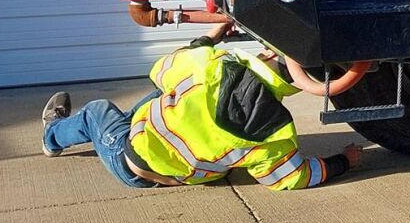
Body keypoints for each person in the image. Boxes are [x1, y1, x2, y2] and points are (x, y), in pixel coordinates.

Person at [40, 19, 360, 190]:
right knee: (159, 102)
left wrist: (211, 38)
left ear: (265, 55)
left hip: (130, 162)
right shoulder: (276, 132)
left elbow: (163, 69)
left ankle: (52, 136)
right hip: (189, 173)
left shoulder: (212, 67)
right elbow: (294, 178)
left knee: (98, 110)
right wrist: (344, 160)